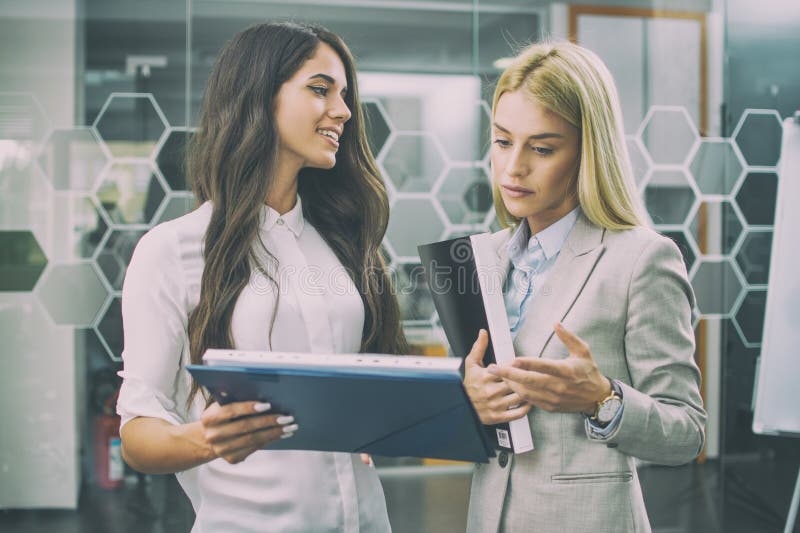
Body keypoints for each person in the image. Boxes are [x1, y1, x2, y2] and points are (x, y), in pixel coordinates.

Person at [116, 22, 407, 533]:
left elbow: (373, 388)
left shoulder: (343, 240)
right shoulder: (171, 250)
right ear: (259, 96)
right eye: (320, 89)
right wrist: (205, 439)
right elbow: (138, 431)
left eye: (344, 95)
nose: (342, 111)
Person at [462, 40, 707, 533]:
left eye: (543, 148)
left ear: (587, 152)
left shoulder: (640, 259)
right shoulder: (484, 256)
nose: (514, 167)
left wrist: (603, 399)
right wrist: (467, 398)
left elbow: (687, 433)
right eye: (503, 141)